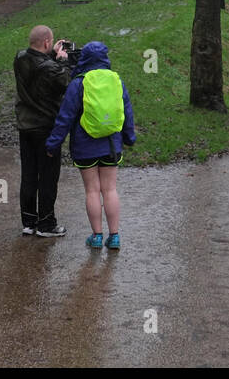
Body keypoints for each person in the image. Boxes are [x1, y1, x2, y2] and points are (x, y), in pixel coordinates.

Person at [46, 41, 136, 250]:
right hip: (111, 145)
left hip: (85, 146)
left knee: (92, 191)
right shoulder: (116, 81)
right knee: (110, 189)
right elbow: (127, 111)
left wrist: (53, 144)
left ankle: (96, 236)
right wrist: (129, 137)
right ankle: (114, 236)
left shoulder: (78, 83)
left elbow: (65, 117)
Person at [13, 25, 73, 237]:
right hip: (45, 127)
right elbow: (64, 81)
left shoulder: (20, 58)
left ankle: (29, 222)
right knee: (47, 176)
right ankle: (47, 224)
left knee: (29, 175)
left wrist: (52, 55)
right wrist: (63, 60)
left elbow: (40, 65)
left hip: (25, 126)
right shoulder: (51, 68)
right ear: (47, 43)